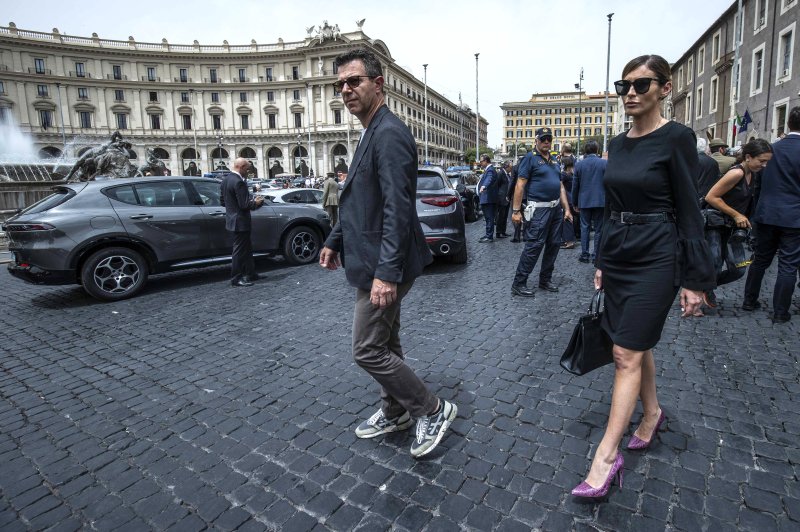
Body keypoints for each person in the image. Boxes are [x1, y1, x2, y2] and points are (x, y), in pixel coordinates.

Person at [571, 55, 714, 500]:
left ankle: (606, 456)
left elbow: (691, 208)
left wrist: (696, 278)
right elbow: (613, 208)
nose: (629, 92)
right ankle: (651, 414)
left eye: (641, 84)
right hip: (621, 253)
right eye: (623, 85)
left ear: (664, 88)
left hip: (658, 253)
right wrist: (602, 260)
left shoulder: (677, 138)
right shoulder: (618, 142)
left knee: (625, 352)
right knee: (635, 343)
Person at [319, 48, 457, 458]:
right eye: (340, 83)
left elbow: (398, 208)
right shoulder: (371, 130)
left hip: (385, 263)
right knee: (387, 343)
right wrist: (334, 239)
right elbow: (359, 200)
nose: (345, 90)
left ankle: (432, 409)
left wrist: (387, 273)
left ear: (378, 84)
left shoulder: (390, 133)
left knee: (367, 348)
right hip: (371, 259)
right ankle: (394, 410)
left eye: (354, 81)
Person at [741, 106, 800, 323]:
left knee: (760, 259)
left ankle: (749, 300)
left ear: (788, 124)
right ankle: (780, 311)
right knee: (788, 264)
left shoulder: (770, 150)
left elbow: (757, 184)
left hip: (766, 214)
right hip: (794, 217)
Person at [703, 139, 773, 307]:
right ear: (748, 157)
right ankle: (702, 290)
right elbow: (711, 197)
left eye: (767, 162)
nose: (764, 165)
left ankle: (703, 287)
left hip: (732, 228)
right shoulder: (737, 173)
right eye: (761, 161)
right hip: (716, 225)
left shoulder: (753, 174)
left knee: (739, 269)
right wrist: (736, 215)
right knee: (715, 265)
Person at [509, 127, 573, 296]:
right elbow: (520, 184)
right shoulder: (530, 159)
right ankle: (519, 283)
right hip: (538, 211)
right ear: (536, 140)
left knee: (553, 246)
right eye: (543, 139)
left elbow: (560, 186)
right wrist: (516, 211)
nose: (546, 142)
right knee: (534, 246)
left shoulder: (554, 161)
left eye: (549, 139)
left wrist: (566, 209)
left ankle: (545, 280)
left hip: (556, 210)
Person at [220, 158, 264, 287]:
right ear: (242, 167)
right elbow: (244, 205)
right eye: (247, 169)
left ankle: (250, 273)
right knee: (239, 251)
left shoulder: (226, 180)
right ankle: (236, 277)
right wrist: (257, 203)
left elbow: (222, 201)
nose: (248, 171)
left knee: (246, 248)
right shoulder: (239, 182)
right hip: (240, 221)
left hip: (232, 220)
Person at [572, 140, 607, 263]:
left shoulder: (579, 165)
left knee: (585, 228)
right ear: (597, 150)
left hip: (584, 200)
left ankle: (585, 254)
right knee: (598, 229)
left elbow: (575, 185)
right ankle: (596, 255)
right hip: (600, 201)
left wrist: (574, 202)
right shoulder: (604, 163)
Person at [477, 155, 498, 243]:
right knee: (488, 218)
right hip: (486, 198)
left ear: (486, 161)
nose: (480, 163)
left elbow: (489, 179)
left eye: (481, 161)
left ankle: (489, 237)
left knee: (489, 218)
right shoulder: (489, 169)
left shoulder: (490, 170)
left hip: (488, 198)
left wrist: (484, 186)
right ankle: (487, 234)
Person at [559, 157, 578, 250]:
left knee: (567, 221)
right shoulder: (572, 174)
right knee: (571, 220)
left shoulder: (564, 174)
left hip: (566, 199)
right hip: (572, 199)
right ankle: (570, 240)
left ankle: (569, 241)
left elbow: (559, 185)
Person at [495, 161, 512, 239]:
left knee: (505, 216)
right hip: (501, 199)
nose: (511, 169)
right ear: (507, 167)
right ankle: (499, 232)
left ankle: (503, 231)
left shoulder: (507, 175)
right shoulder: (500, 174)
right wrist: (499, 197)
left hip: (507, 199)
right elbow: (496, 186)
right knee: (501, 216)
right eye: (510, 167)